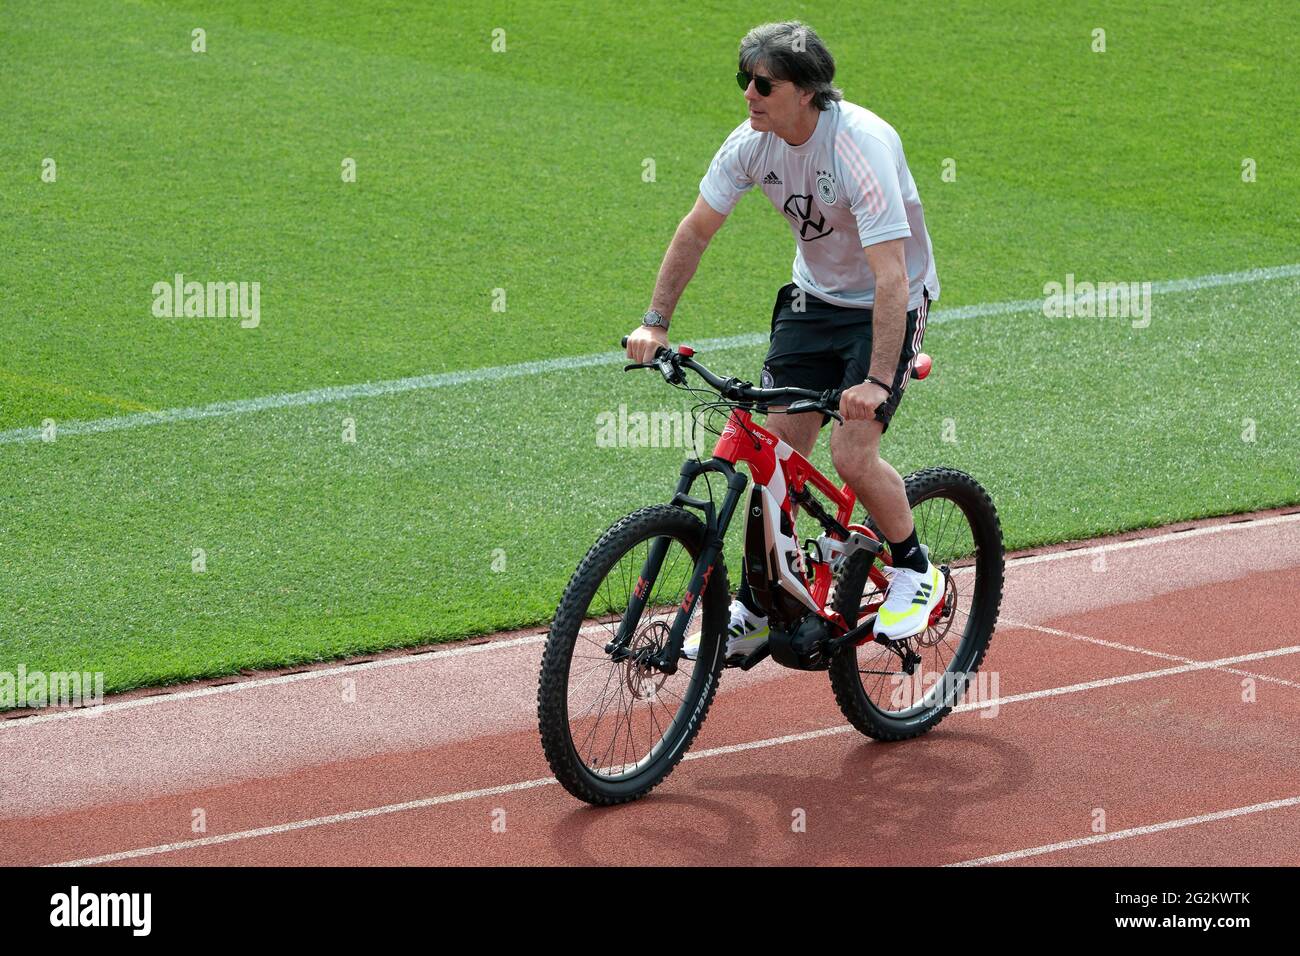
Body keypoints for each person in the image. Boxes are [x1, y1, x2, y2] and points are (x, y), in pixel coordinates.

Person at [625, 20, 943, 660]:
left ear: (806, 91)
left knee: (853, 452)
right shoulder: (752, 143)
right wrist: (656, 322)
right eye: (744, 78)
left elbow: (890, 277)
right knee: (771, 456)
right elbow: (696, 230)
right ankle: (757, 607)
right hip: (811, 298)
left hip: (887, 301)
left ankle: (915, 569)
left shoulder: (860, 147)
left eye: (763, 82)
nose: (748, 92)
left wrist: (878, 382)